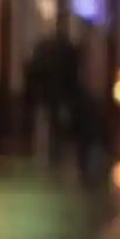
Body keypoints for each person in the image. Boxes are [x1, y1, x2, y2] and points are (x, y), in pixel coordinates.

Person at [27, 24, 89, 176]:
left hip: (47, 96)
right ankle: (56, 155)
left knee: (48, 124)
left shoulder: (43, 51)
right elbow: (73, 76)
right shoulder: (67, 52)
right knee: (61, 125)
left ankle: (47, 157)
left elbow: (34, 73)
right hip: (61, 96)